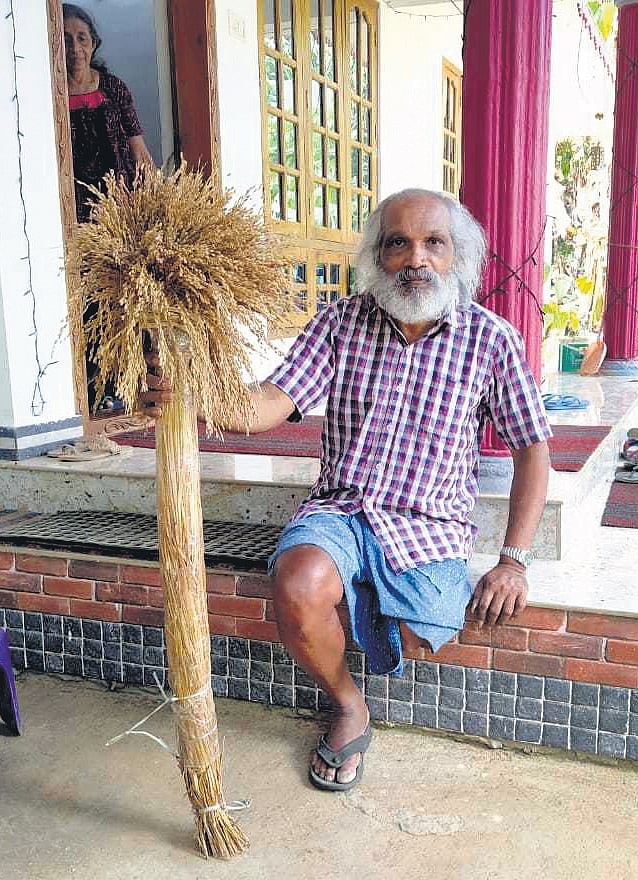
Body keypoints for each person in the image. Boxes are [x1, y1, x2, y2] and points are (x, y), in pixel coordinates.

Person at [141, 189, 552, 794]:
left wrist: (513, 560)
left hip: (427, 522)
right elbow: (273, 401)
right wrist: (196, 397)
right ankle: (348, 705)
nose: (416, 258)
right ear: (375, 256)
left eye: (432, 243)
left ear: (457, 256)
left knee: (421, 638)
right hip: (342, 508)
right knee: (298, 582)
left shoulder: (491, 341)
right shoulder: (339, 323)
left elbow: (532, 447)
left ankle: (366, 597)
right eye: (397, 243)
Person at [63, 4, 154, 413]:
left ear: (93, 42)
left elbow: (139, 152)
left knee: (121, 302)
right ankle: (94, 391)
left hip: (118, 214)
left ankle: (128, 386)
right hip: (73, 218)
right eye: (64, 39)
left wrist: (150, 207)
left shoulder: (113, 88)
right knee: (86, 307)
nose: (74, 47)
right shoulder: (46, 92)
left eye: (81, 37)